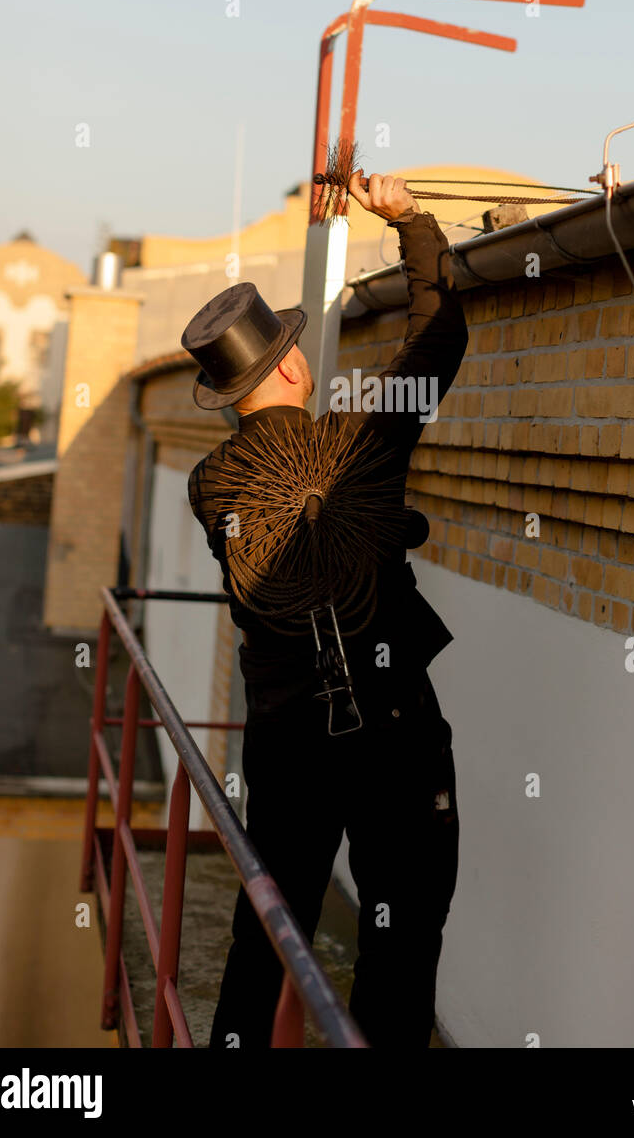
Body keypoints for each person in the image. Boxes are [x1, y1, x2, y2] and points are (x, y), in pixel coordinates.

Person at [183, 170, 468, 1048]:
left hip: (287, 747)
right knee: (403, 934)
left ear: (231, 394)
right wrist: (411, 222)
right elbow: (439, 334)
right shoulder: (363, 443)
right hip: (393, 733)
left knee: (266, 932)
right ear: (297, 363)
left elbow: (278, 534)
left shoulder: (208, 483)